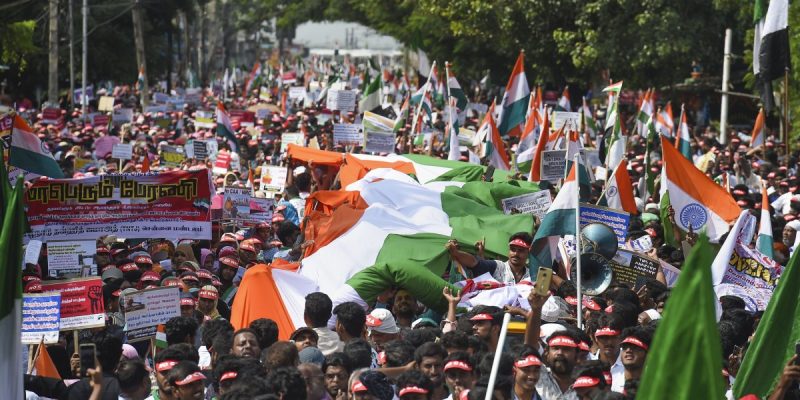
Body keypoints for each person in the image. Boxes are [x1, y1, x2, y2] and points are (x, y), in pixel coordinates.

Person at [446, 232, 543, 285]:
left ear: (528, 253)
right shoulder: (498, 266)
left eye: (521, 250)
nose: (516, 254)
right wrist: (456, 253)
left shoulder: (533, 275)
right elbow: (474, 262)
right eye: (513, 249)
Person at [612, 326, 653, 393]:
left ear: (647, 355)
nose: (628, 350)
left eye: (635, 347)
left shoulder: (655, 384)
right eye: (625, 347)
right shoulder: (611, 379)